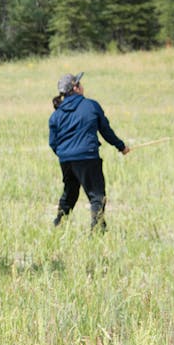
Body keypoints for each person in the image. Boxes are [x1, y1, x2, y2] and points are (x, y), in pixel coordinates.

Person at [49, 72, 130, 230]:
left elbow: (53, 143)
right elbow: (105, 131)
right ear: (76, 88)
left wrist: (65, 153)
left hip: (66, 160)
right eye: (80, 83)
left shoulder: (56, 115)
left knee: (70, 193)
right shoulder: (91, 106)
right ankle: (98, 230)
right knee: (96, 196)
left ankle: (58, 224)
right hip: (87, 157)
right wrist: (121, 146)